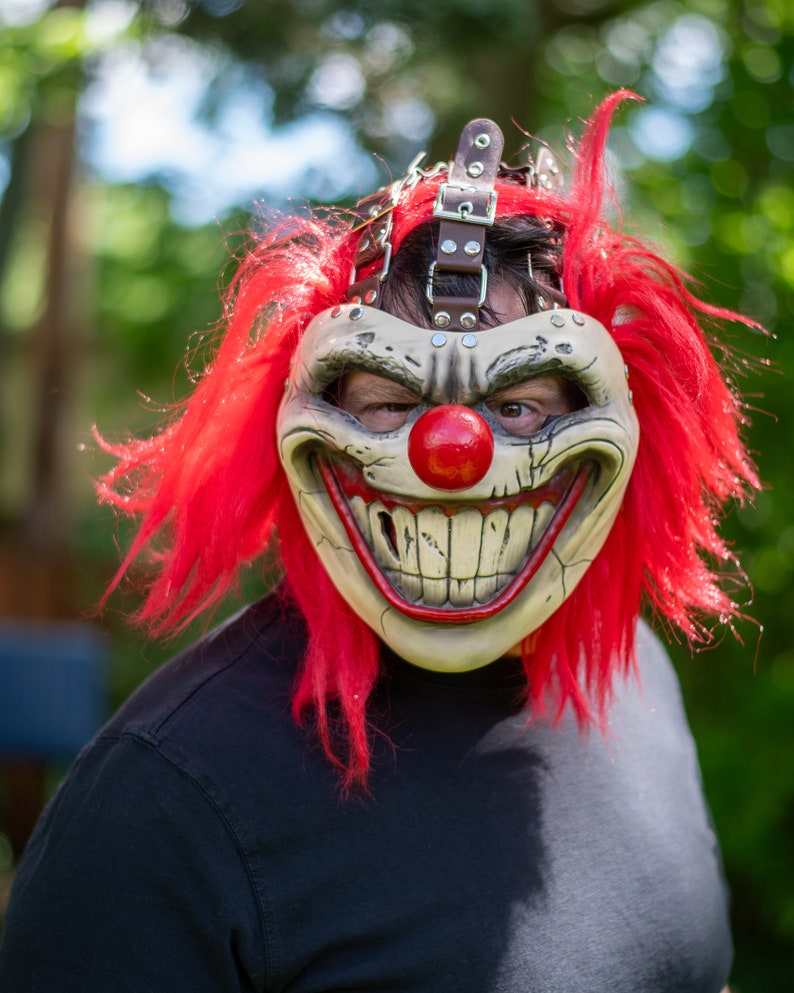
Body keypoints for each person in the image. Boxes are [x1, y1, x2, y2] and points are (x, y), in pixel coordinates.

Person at [0, 91, 757, 992]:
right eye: (390, 404)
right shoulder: (161, 802)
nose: (452, 455)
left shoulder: (635, 672)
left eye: (518, 406)